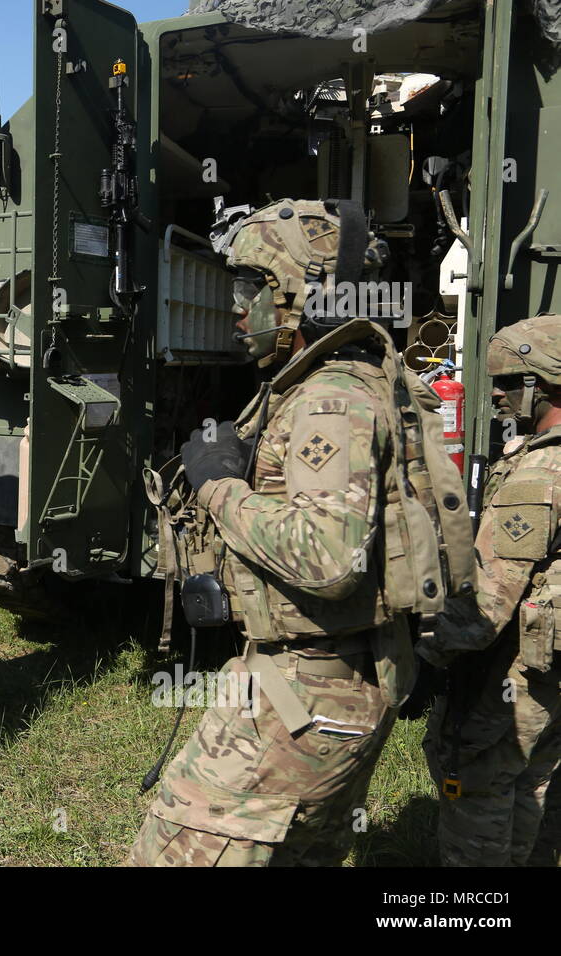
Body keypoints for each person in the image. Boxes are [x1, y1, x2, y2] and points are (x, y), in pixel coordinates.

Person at [130, 198, 465, 865]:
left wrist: (219, 484)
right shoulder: (360, 381)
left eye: (250, 290)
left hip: (305, 690)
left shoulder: (328, 400)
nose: (233, 308)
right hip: (332, 681)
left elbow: (326, 558)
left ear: (295, 298)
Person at [417, 314, 561, 866]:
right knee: (534, 779)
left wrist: (424, 660)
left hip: (513, 672)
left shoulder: (537, 472)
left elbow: (485, 608)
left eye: (507, 381)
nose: (497, 394)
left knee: (476, 780)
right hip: (550, 677)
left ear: (542, 383)